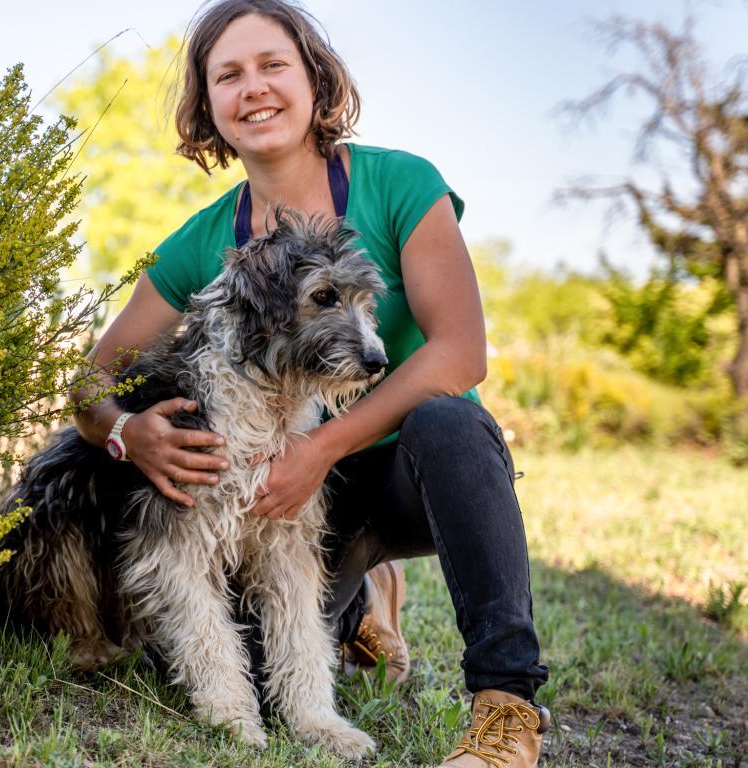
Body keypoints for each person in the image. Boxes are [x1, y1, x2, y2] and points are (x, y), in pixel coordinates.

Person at [69, 1, 550, 765]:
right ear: (208, 105)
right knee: (251, 683)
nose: (252, 88)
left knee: (449, 420)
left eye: (272, 66)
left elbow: (460, 353)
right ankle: (360, 597)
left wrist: (319, 449)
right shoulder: (204, 243)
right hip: (286, 502)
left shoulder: (400, 184)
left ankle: (506, 707)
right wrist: (127, 431)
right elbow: (94, 377)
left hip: (410, 477)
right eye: (227, 75)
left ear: (314, 79)